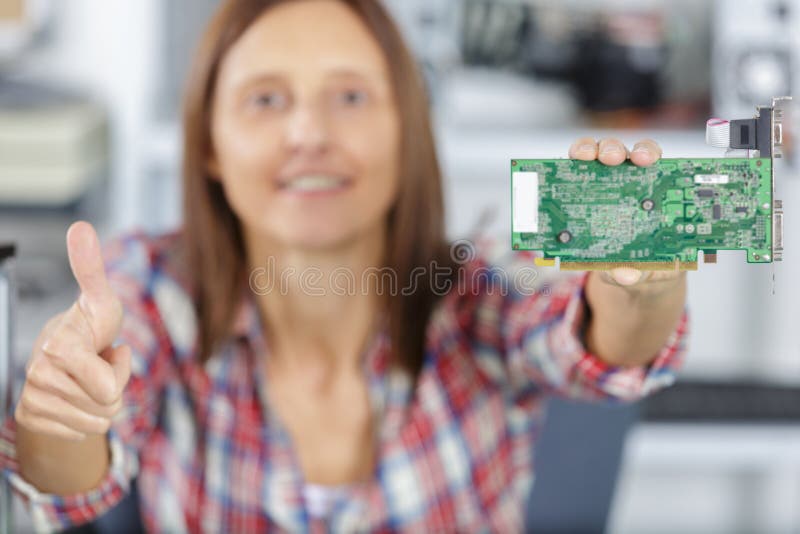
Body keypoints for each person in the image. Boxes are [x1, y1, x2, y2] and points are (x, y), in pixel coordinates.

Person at [1, 0, 688, 531]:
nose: (310, 134)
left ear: (406, 130)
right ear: (209, 142)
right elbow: (66, 484)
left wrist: (637, 286)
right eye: (266, 99)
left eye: (351, 97)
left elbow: (596, 343)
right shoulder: (149, 292)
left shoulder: (483, 289)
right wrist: (62, 417)